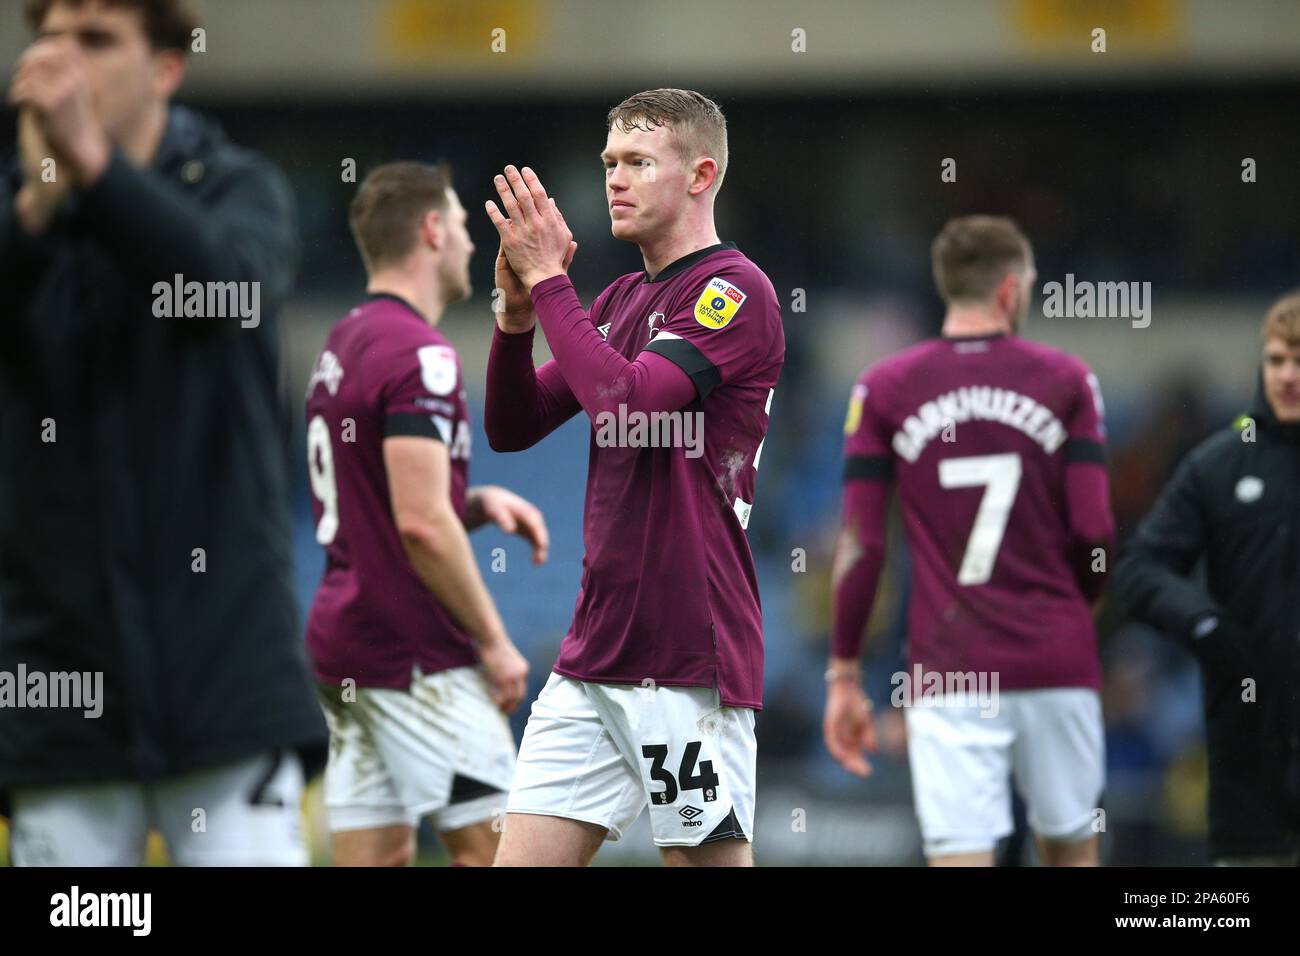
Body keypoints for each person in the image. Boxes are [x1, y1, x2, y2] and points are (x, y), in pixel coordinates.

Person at [0, 0, 325, 865]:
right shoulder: (16, 208)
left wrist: (96, 171)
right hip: (59, 700)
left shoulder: (235, 188)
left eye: (96, 40)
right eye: (50, 39)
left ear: (166, 69)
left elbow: (222, 293)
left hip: (225, 687)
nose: (63, 61)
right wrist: (40, 205)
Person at [483, 89, 784, 866]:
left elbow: (631, 403)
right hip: (593, 655)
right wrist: (516, 322)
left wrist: (549, 281)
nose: (615, 179)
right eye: (610, 162)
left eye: (639, 162)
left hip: (684, 653)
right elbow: (512, 427)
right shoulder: (619, 299)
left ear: (700, 175)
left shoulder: (734, 290)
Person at [824, 215, 1114, 867]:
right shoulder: (1069, 379)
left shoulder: (883, 388)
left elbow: (862, 546)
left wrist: (845, 670)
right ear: (1011, 290)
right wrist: (1080, 607)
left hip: (950, 665)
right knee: (1072, 852)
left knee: (961, 857)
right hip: (1055, 658)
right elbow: (1095, 530)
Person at [304, 162, 541, 866]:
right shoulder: (421, 354)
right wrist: (494, 640)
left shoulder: (342, 341)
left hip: (345, 644)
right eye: (467, 225)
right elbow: (416, 524)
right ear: (433, 230)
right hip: (413, 655)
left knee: (375, 858)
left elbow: (373, 506)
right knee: (501, 853)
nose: (473, 244)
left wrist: (467, 504)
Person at [1113, 291, 1300, 866]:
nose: (1287, 376)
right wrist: (1204, 622)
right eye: (1275, 360)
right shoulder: (1220, 466)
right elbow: (1140, 569)